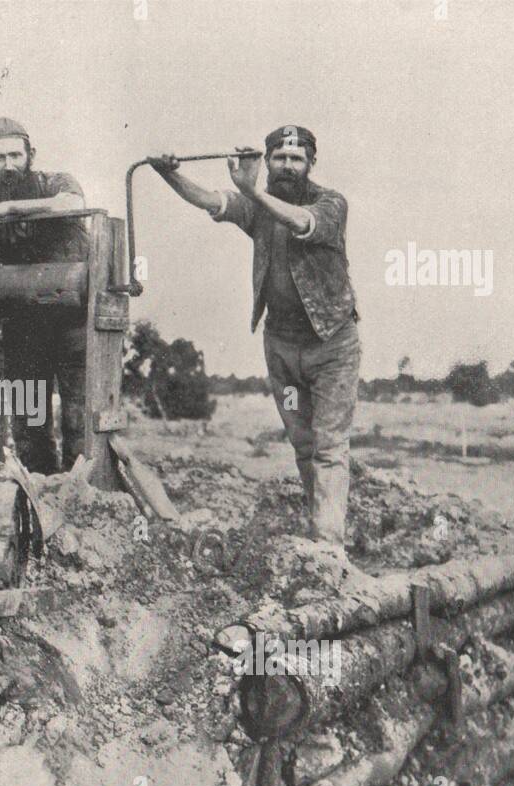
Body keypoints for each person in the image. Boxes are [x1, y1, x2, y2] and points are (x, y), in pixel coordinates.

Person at [149, 126, 360, 546]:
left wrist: (254, 190)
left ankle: (329, 548)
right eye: (278, 157)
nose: (286, 166)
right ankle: (319, 530)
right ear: (268, 160)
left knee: (330, 447)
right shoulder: (255, 208)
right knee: (302, 443)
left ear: (311, 164)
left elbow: (303, 221)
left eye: (296, 158)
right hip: (281, 348)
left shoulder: (331, 203)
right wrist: (167, 173)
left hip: (332, 347)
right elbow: (211, 200)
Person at [0, 116, 88, 474]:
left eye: (15, 156)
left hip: (76, 327)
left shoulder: (57, 183)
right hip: (26, 333)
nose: (8, 166)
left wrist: (8, 209)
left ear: (30, 154)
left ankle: (86, 508)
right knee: (30, 433)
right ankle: (36, 511)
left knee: (80, 427)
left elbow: (72, 203)